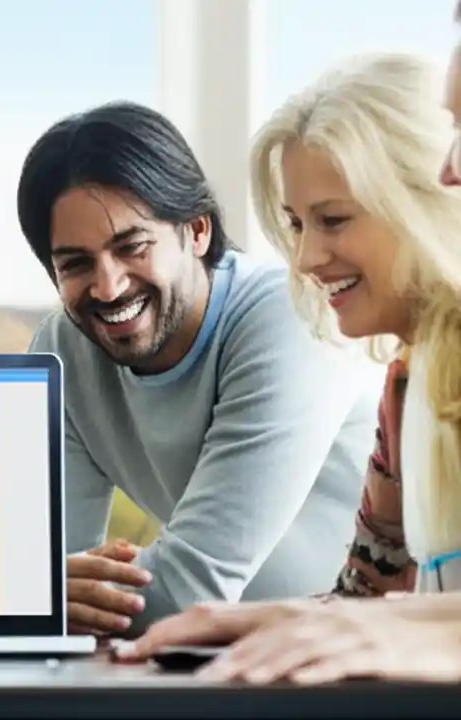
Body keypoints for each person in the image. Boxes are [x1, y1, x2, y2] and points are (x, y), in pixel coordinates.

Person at [120, 50, 461, 683]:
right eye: (297, 224)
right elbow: (368, 601)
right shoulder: (410, 385)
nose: (304, 258)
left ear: (425, 195)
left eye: (333, 220)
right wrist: (254, 620)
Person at [16, 100, 382, 637]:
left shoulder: (286, 320)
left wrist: (33, 595)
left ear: (198, 231)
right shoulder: (60, 351)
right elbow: (44, 570)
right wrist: (36, 592)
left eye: (132, 247)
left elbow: (185, 589)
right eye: (75, 263)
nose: (108, 286)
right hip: (206, 662)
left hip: (361, 659)